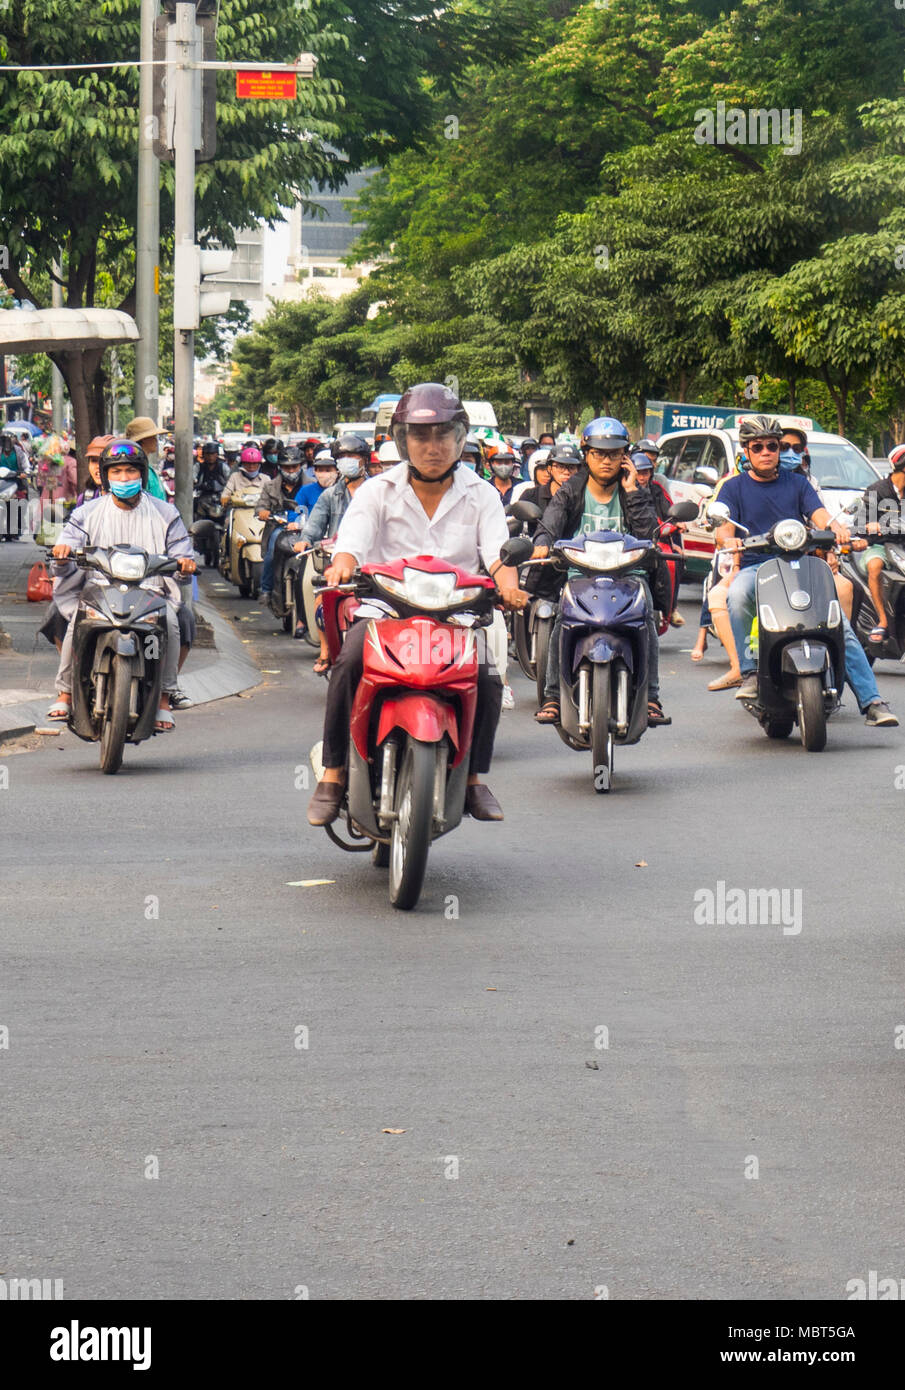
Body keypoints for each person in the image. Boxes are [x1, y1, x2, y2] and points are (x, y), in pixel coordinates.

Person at [306, 383, 526, 827]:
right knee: (348, 663)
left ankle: (473, 779)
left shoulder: (481, 493)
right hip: (385, 613)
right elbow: (353, 540)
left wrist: (509, 585)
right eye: (420, 436)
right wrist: (343, 564)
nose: (432, 446)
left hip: (458, 616)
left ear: (461, 438)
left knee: (488, 678)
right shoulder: (376, 491)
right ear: (402, 440)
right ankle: (332, 774)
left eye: (443, 434)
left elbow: (498, 555)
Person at [716, 414, 897, 725]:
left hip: (800, 565)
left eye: (772, 446)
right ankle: (749, 674)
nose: (766, 452)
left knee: (837, 623)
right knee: (737, 593)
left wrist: (836, 527)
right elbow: (724, 527)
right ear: (745, 451)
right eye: (757, 446)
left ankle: (872, 701)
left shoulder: (798, 483)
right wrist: (729, 540)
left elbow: (820, 514)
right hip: (757, 568)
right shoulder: (733, 488)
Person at [45, 439, 196, 730]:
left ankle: (164, 697)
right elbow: (65, 548)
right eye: (117, 472)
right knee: (77, 620)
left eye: (130, 471)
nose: (124, 478)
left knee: (170, 625)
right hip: (98, 589)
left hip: (151, 591)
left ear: (142, 474)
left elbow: (182, 557)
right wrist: (62, 554)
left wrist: (184, 564)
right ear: (106, 475)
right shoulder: (86, 513)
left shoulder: (166, 513)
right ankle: (64, 693)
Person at [532, 417, 669, 727]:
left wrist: (633, 492)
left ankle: (651, 695)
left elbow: (651, 535)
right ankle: (553, 694)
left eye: (614, 453)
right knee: (560, 618)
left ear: (625, 456)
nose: (607, 460)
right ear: (586, 455)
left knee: (645, 612)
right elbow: (550, 521)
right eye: (599, 453)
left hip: (630, 578)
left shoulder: (633, 490)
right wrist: (542, 543)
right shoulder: (571, 490)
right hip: (579, 576)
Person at [293, 434, 371, 672]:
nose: (348, 461)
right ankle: (326, 652)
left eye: (353, 456)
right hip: (336, 559)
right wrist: (305, 541)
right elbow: (314, 525)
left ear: (364, 460)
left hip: (372, 561)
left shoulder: (377, 491)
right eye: (343, 457)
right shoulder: (330, 495)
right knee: (322, 596)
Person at [853, 443, 905, 642]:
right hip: (880, 546)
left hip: (902, 548)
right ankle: (882, 621)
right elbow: (860, 524)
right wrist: (870, 527)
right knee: (874, 567)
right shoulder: (876, 490)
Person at [631, 448, 687, 628]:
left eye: (645, 472)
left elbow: (671, 513)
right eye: (638, 473)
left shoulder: (657, 489)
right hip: (631, 542)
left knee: (674, 560)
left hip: (658, 540)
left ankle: (670, 608)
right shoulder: (623, 491)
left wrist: (676, 524)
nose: (641, 477)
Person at [257, 454, 311, 604]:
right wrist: (263, 512)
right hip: (279, 525)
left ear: (301, 466)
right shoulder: (270, 486)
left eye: (294, 467)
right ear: (280, 467)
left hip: (305, 526)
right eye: (287, 467)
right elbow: (261, 506)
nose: (291, 470)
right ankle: (266, 589)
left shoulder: (311, 485)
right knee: (271, 551)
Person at [124, 417, 168, 500]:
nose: (156, 440)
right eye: (153, 436)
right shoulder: (137, 469)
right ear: (144, 439)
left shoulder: (147, 466)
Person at [0, 431, 30, 540]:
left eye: (8, 440)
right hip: (1, 482)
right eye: (4, 440)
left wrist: (25, 473)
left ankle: (14, 530)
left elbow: (26, 466)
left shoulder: (19, 452)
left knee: (17, 504)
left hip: (16, 481)